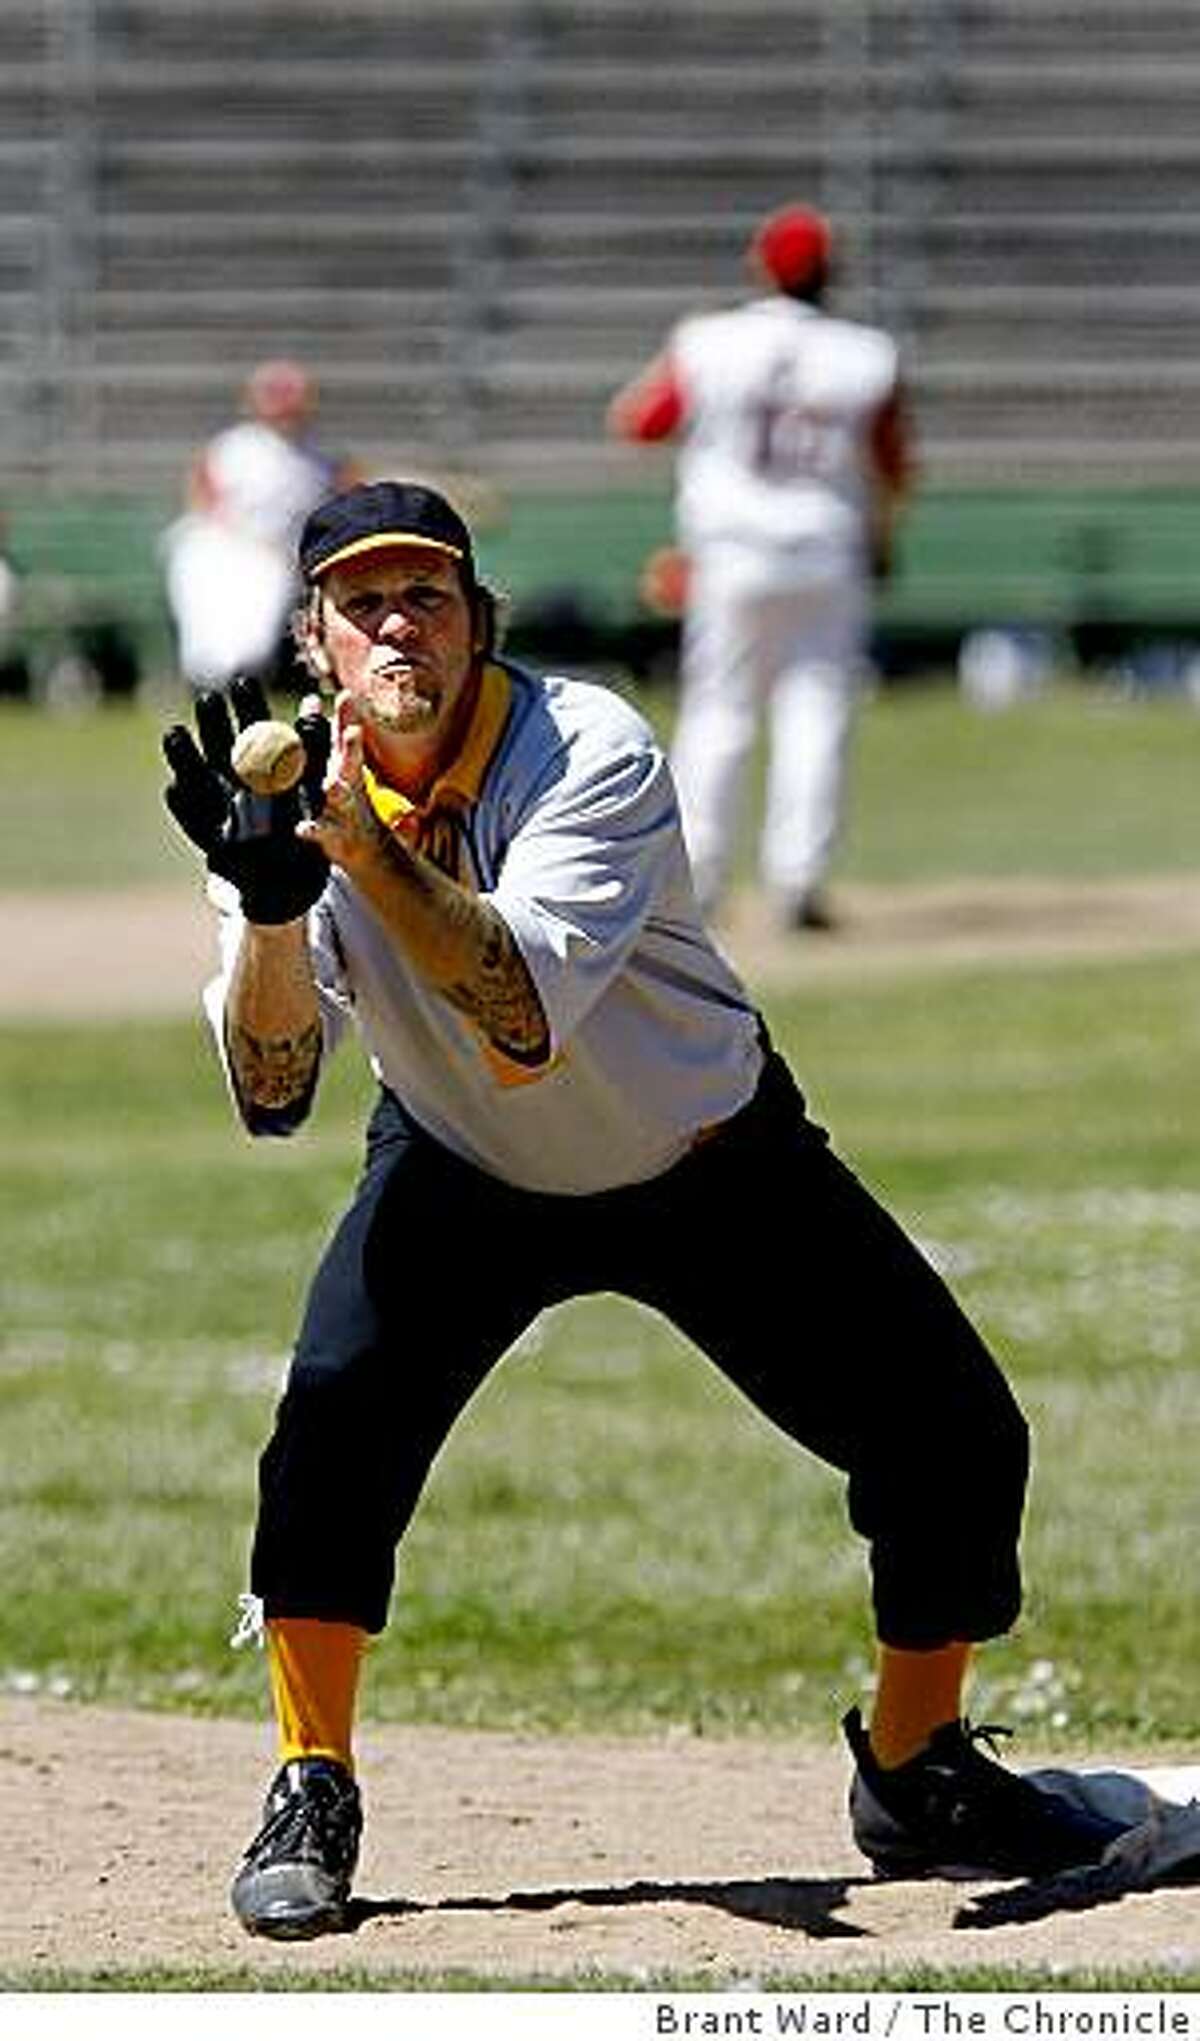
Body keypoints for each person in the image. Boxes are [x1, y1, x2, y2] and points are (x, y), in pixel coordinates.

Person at [161, 479, 1124, 1942]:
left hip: (703, 1153)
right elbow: (273, 1089)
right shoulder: (285, 808)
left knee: (955, 1437)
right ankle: (311, 1780)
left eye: (427, 594)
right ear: (316, 642)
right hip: (460, 1164)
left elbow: (520, 1008)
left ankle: (918, 1766)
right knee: (332, 1429)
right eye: (362, 604)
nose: (399, 625)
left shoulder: (586, 747)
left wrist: (357, 851)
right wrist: (277, 905)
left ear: (478, 619)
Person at [608, 202, 914, 932]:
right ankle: (798, 880)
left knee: (719, 710)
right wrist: (882, 538)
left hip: (731, 551)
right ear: (831, 272)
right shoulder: (867, 352)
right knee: (817, 710)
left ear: (759, 266)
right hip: (826, 547)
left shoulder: (708, 340)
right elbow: (893, 464)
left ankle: (700, 878)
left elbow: (639, 421)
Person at [160, 358, 358, 695]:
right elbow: (203, 496)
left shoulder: (321, 458)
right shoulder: (233, 447)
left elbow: (347, 495)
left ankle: (239, 682)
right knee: (206, 599)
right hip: (220, 544)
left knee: (257, 616)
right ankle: (207, 679)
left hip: (275, 558)